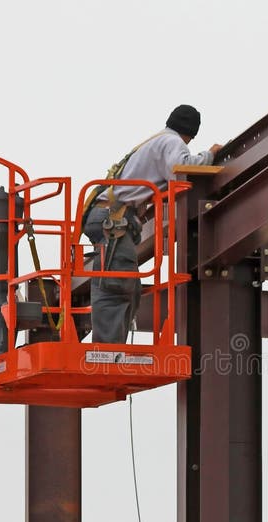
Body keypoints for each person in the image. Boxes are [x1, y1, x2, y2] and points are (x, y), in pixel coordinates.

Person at [82, 105, 222, 344]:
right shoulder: (173, 142)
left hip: (109, 216)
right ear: (191, 133)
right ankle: (106, 352)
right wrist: (210, 154)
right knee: (117, 283)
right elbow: (182, 169)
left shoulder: (157, 140)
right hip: (112, 219)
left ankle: (110, 347)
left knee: (127, 284)